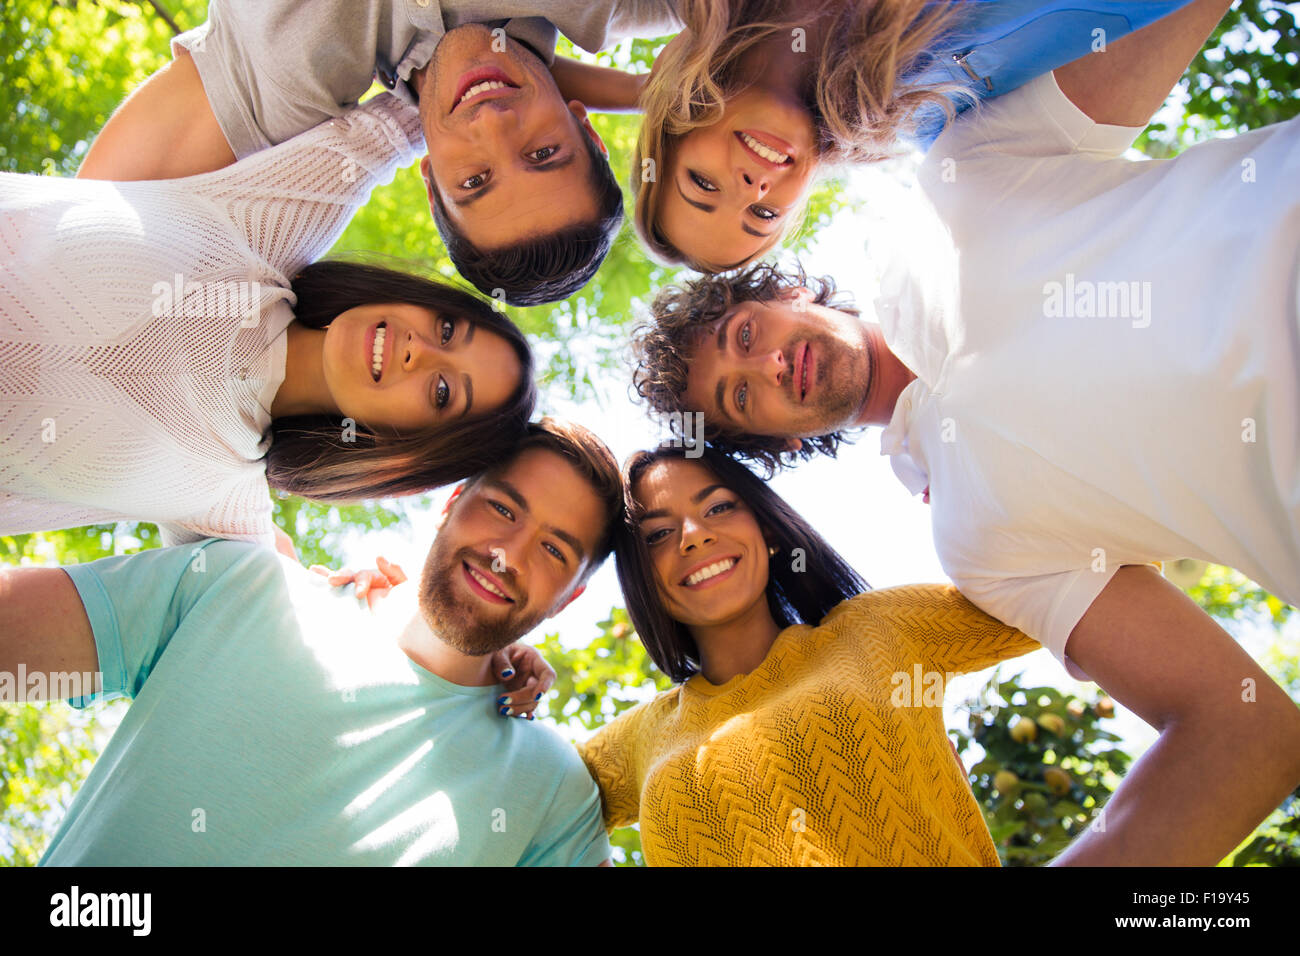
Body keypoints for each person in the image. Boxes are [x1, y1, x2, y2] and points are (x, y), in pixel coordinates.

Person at [628, 0, 1300, 863]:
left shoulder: (959, 173)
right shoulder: (979, 546)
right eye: (742, 401)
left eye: (744, 338)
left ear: (789, 291)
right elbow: (1242, 729)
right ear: (788, 447)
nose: (763, 370)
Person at [0, 418, 623, 866]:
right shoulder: (243, 585)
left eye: (552, 549)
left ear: (569, 598)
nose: (506, 554)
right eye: (504, 510)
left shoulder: (551, 793)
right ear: (452, 503)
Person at [1, 93, 535, 550]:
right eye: (446, 329)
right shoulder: (261, 230)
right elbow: (443, 97)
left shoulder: (221, 507)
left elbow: (269, 628)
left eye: (442, 391)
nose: (422, 349)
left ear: (403, 445)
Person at [580, 443, 1041, 866]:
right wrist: (507, 668)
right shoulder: (642, 738)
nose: (694, 536)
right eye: (658, 534)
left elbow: (1057, 586)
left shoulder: (878, 627)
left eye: (719, 507)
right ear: (641, 579)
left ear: (767, 531)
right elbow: (519, 793)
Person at [77, 4, 684, 305]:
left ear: (430, 179)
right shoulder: (610, 9)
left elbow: (83, 245)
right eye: (544, 151)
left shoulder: (299, 73)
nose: (493, 125)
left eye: (474, 180)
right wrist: (649, 92)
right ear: (586, 127)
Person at [632, 0, 1195, 272]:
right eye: (763, 217)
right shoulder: (946, 114)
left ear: (674, 130)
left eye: (701, 184)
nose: (752, 190)